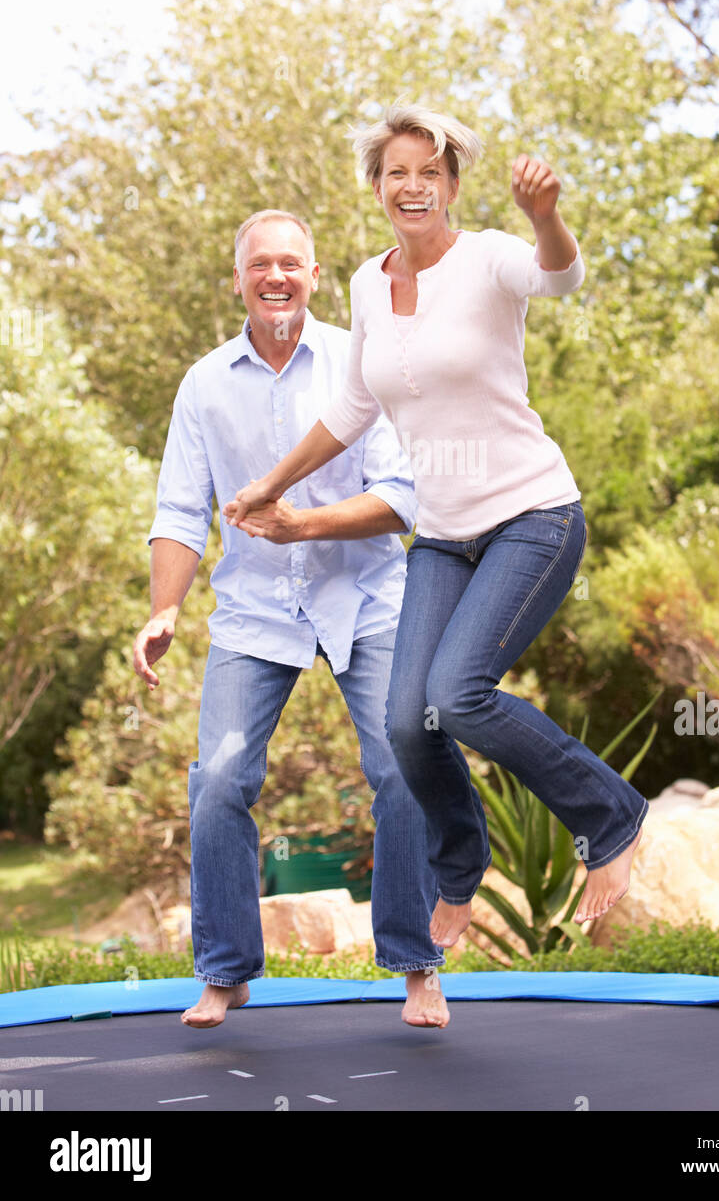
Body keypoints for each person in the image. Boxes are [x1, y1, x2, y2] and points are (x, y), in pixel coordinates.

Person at [224, 104, 648, 949]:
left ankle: (612, 816)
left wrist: (545, 216)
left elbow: (560, 278)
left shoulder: (492, 257)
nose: (411, 186)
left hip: (533, 516)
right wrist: (267, 486)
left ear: (452, 186)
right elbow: (350, 407)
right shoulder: (367, 283)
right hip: (446, 538)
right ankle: (462, 866)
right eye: (396, 173)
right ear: (377, 187)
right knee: (405, 721)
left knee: (459, 695)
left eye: (429, 172)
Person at [133, 208, 451, 1028]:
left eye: (290, 264)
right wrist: (164, 609)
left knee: (402, 766)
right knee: (217, 785)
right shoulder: (204, 384)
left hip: (369, 598)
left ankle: (417, 965)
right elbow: (178, 510)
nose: (275, 276)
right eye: (259, 265)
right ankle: (228, 970)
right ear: (237, 280)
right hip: (255, 611)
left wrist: (298, 522)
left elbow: (401, 500)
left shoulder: (359, 360)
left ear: (313, 275)